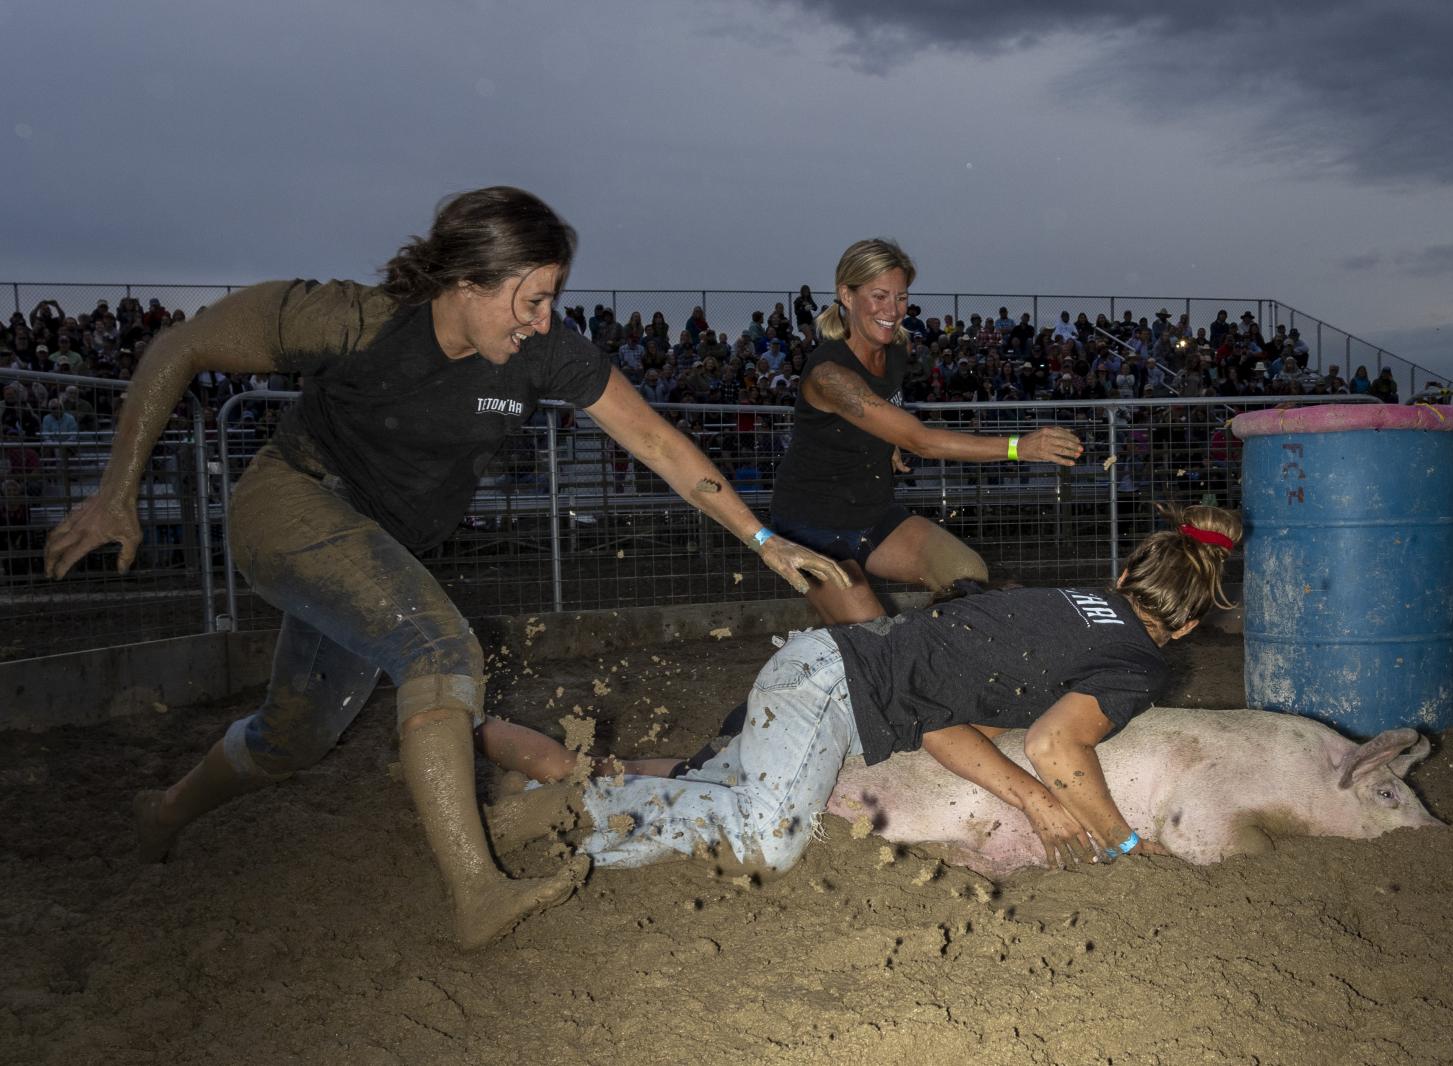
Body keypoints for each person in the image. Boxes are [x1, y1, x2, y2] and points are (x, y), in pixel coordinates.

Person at [42, 186, 851, 951]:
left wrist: (760, 539)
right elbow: (182, 344)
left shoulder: (543, 357)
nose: (543, 321)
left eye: (552, 299)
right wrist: (116, 494)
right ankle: (475, 894)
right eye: (529, 299)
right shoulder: (353, 319)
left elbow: (657, 441)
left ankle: (164, 811)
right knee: (440, 650)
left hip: (375, 553)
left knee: (295, 736)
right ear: (467, 279)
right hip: (290, 503)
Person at [483, 505, 1243, 877]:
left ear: (1121, 577)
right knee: (765, 839)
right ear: (1188, 626)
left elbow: (938, 724)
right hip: (830, 688)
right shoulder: (1138, 661)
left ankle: (537, 768)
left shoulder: (1064, 608)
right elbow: (1055, 746)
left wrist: (1028, 796)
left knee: (698, 782)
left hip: (822, 674)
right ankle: (570, 817)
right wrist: (1121, 837)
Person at [766, 238, 1084, 625]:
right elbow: (921, 439)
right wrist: (1020, 446)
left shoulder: (895, 351)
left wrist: (886, 441)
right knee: (872, 638)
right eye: (879, 296)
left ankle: (938, 661)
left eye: (900, 298)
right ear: (846, 295)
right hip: (809, 524)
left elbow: (882, 418)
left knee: (967, 575)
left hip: (871, 514)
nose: (892, 311)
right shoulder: (830, 375)